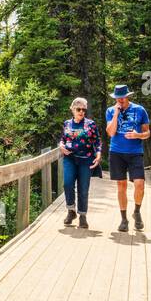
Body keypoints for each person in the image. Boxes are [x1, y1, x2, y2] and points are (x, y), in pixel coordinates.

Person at [104, 84, 151, 233]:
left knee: (140, 183)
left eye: (123, 97)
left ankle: (136, 211)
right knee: (121, 186)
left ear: (128, 96)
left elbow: (147, 133)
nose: (121, 100)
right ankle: (124, 219)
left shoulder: (139, 110)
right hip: (117, 152)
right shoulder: (110, 111)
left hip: (135, 152)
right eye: (118, 98)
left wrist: (137, 135)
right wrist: (116, 115)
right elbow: (110, 133)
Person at [58, 97, 101, 230]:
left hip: (85, 159)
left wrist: (98, 154)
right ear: (72, 109)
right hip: (70, 158)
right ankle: (71, 211)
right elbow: (63, 139)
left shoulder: (91, 124)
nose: (81, 112)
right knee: (67, 183)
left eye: (83, 109)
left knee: (83, 188)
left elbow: (97, 141)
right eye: (78, 109)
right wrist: (60, 145)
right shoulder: (67, 124)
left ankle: (82, 215)